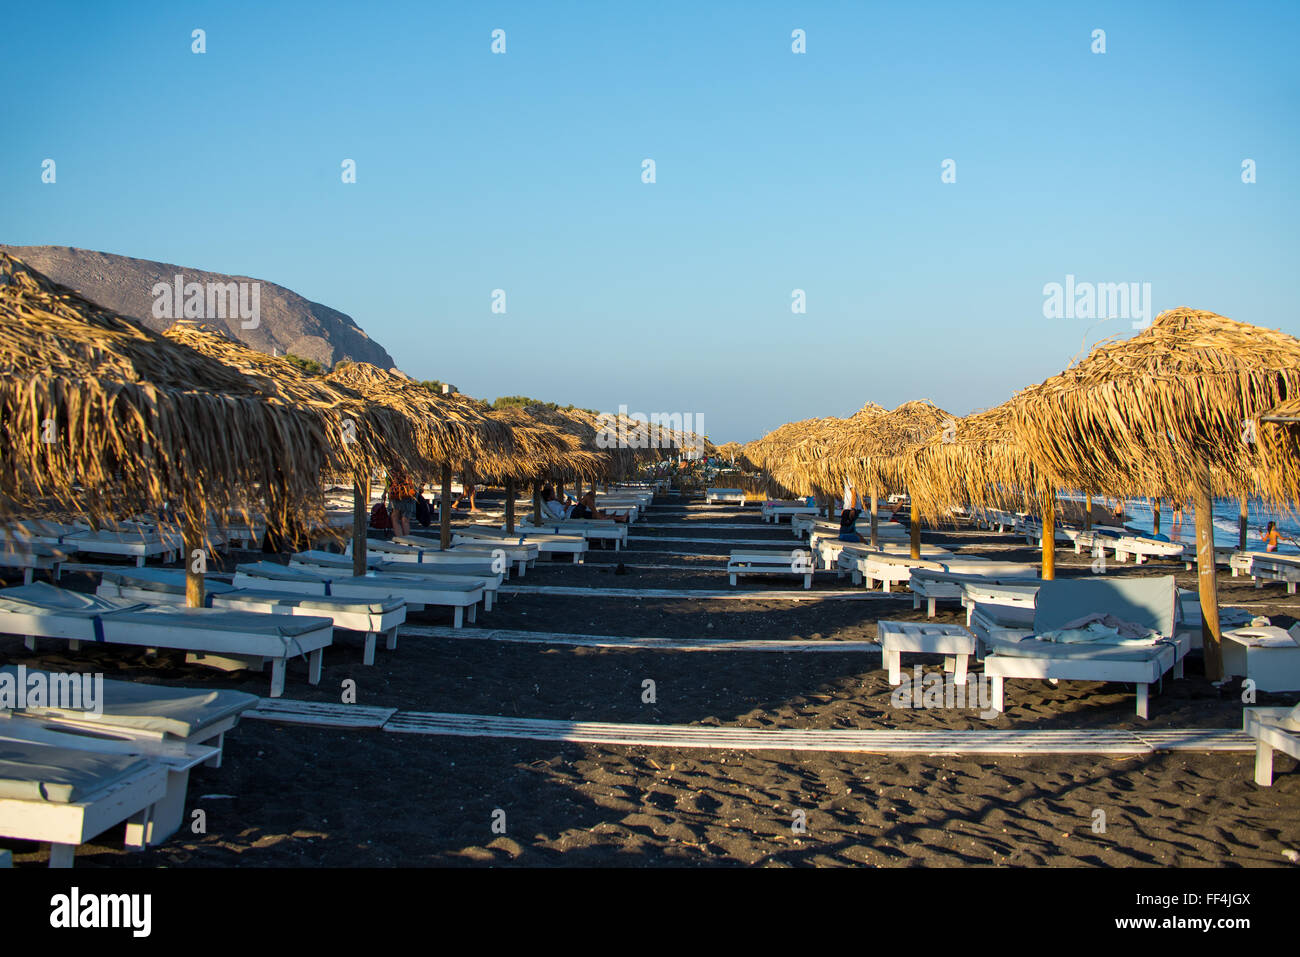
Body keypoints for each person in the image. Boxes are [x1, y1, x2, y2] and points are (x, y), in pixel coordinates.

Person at [387, 465, 417, 538]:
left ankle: (400, 539)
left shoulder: (393, 467)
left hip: (398, 494)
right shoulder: (410, 467)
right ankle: (405, 539)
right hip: (408, 495)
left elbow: (389, 482)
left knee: (395, 517)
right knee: (404, 519)